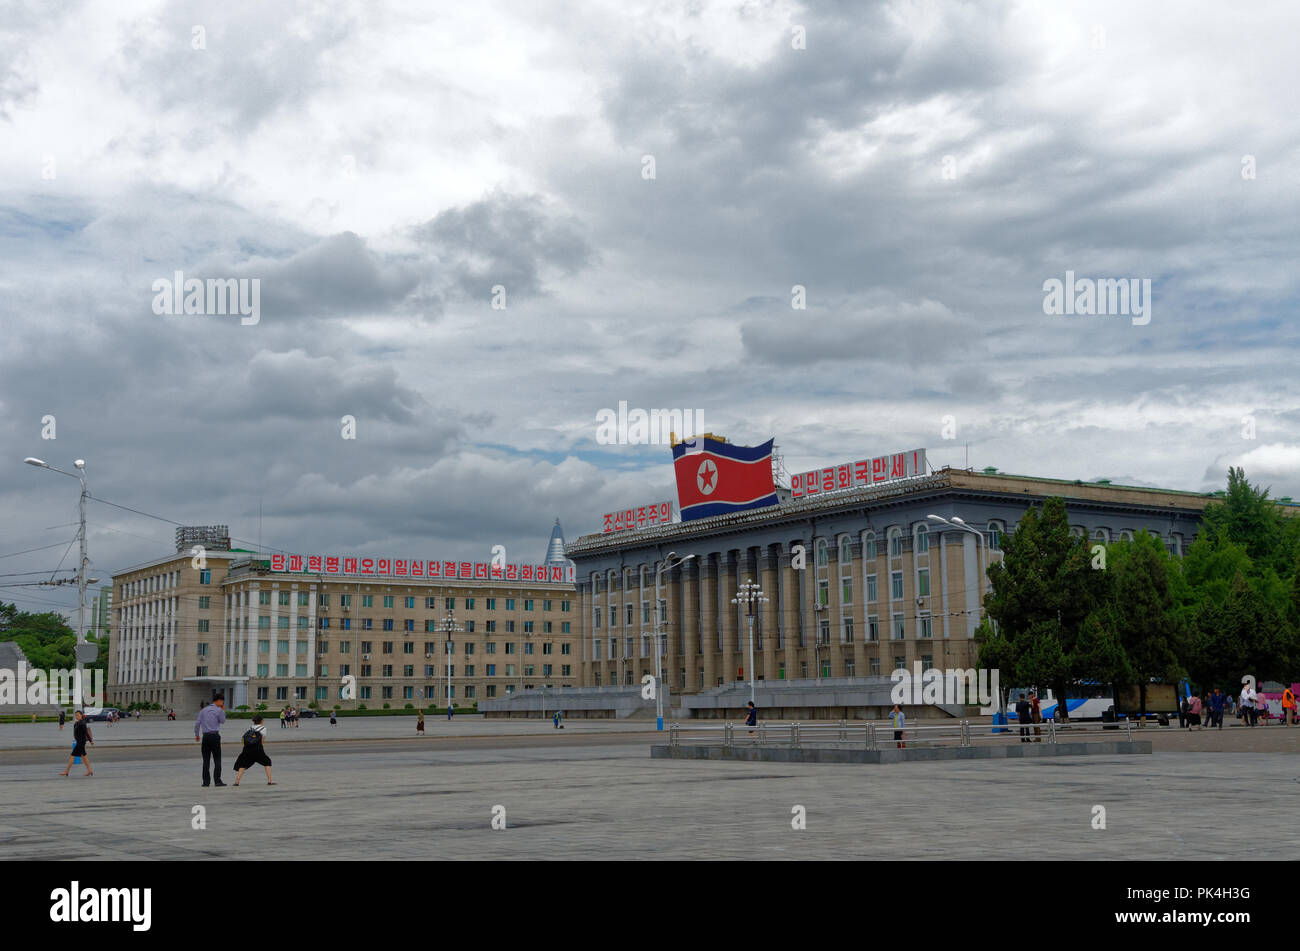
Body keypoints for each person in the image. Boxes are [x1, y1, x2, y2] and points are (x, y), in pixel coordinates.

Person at [194, 693, 227, 787]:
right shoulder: (219, 710)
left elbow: (197, 723)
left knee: (206, 760)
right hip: (215, 736)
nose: (223, 703)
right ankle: (217, 781)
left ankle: (206, 782)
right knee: (217, 759)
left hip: (205, 737)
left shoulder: (203, 710)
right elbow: (223, 721)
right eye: (222, 701)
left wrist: (197, 734)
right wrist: (223, 711)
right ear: (219, 700)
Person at [232, 715, 275, 786]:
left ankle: (237, 781)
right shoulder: (263, 728)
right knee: (267, 762)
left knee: (243, 764)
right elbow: (262, 741)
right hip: (258, 749)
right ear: (261, 721)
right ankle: (270, 781)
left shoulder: (250, 728)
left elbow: (244, 739)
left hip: (247, 748)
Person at [61, 710, 93, 777]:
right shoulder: (77, 722)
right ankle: (89, 770)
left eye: (78, 715)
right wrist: (75, 724)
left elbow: (86, 733)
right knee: (84, 757)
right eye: (76, 715)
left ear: (81, 715)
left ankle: (66, 771)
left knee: (72, 756)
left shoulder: (83, 723)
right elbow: (75, 732)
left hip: (81, 742)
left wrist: (90, 741)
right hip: (79, 742)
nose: (77, 716)